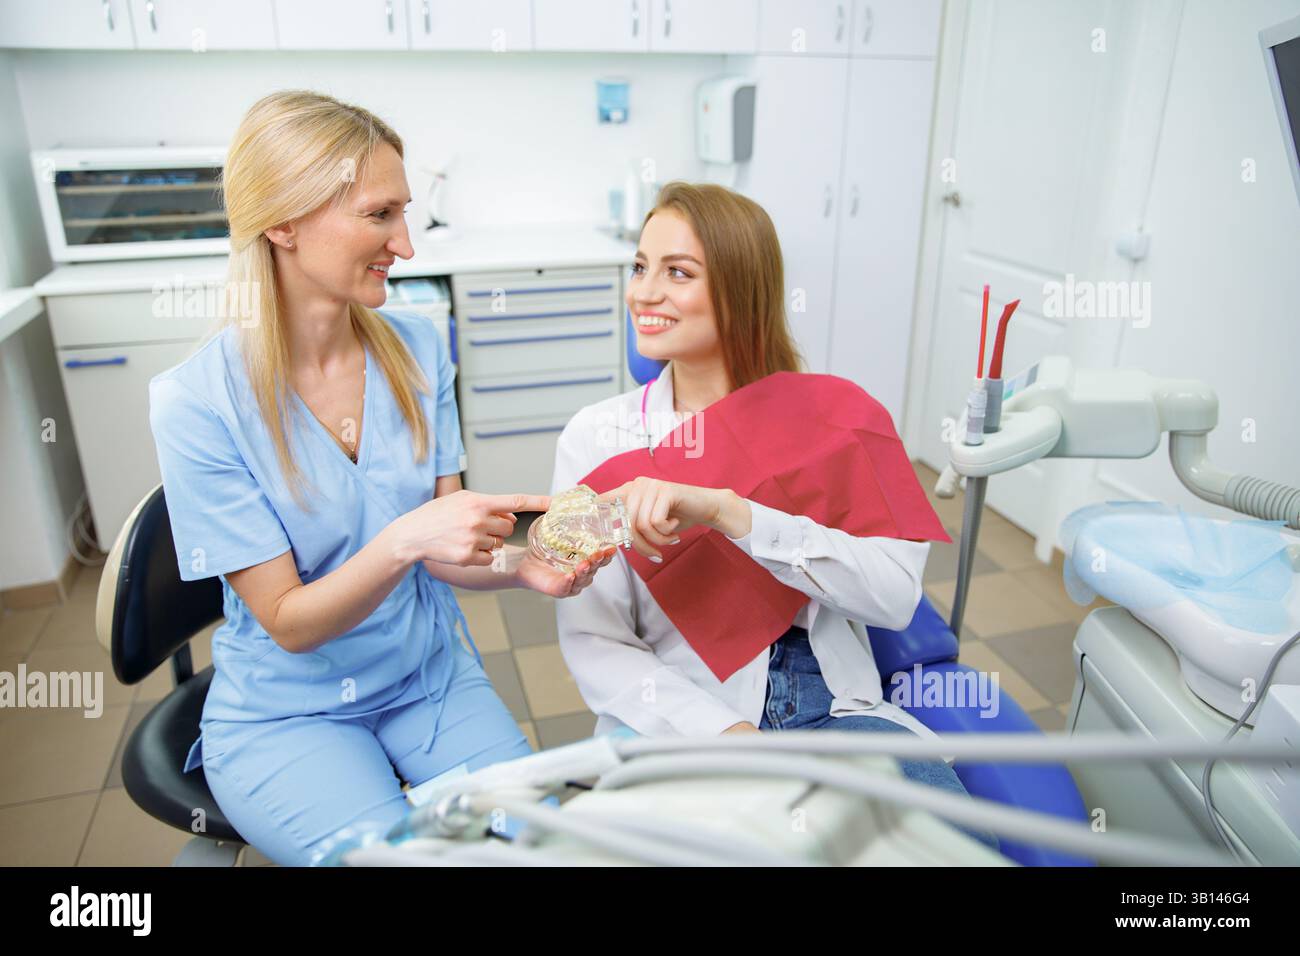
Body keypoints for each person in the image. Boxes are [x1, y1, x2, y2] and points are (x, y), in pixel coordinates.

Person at [148, 90, 612, 866]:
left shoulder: (415, 348)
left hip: (426, 678)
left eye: (406, 215)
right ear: (283, 221)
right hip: (289, 716)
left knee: (539, 851)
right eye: (379, 215)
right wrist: (405, 540)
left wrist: (523, 567)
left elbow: (441, 548)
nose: (406, 243)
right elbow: (291, 622)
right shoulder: (197, 403)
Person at [552, 181, 999, 852]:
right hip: (688, 714)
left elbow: (893, 599)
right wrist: (726, 736)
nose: (643, 292)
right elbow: (596, 641)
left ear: (740, 288)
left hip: (833, 709)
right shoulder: (597, 438)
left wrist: (738, 515)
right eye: (640, 267)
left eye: (678, 273)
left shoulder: (834, 420)